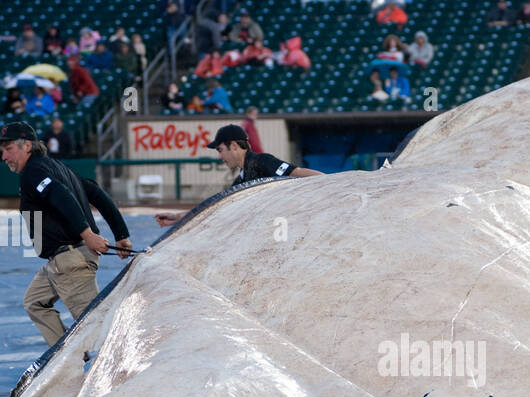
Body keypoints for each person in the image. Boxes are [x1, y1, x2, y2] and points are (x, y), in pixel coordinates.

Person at [0, 120, 132, 346]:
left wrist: (88, 235)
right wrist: (121, 234)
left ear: (27, 146)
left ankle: (106, 370)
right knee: (35, 302)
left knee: (95, 331)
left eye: (8, 149)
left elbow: (60, 196)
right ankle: (64, 358)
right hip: (60, 261)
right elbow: (96, 193)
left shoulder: (33, 172)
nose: (4, 156)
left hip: (71, 260)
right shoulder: (58, 167)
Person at [154, 125, 323, 225]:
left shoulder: (261, 161)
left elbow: (298, 172)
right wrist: (178, 218)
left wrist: (334, 182)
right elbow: (214, 207)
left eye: (220, 150)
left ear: (233, 146)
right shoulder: (241, 179)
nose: (220, 157)